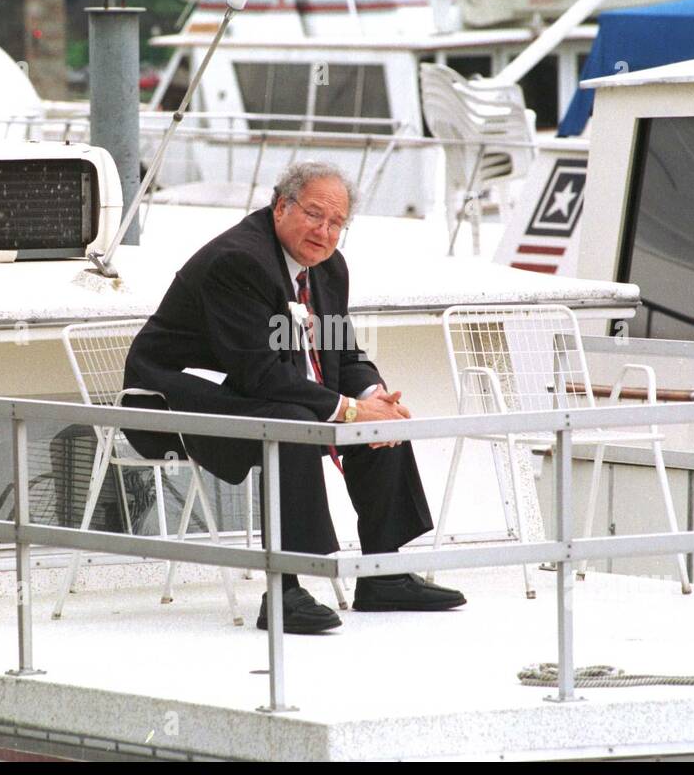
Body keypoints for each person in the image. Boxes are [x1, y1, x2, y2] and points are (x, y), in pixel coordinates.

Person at [122, 161, 466, 633]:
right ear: (281, 206)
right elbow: (260, 372)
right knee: (291, 422)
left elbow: (342, 353)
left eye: (336, 224)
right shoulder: (238, 262)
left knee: (378, 420)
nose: (324, 232)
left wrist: (372, 396)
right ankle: (285, 591)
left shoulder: (327, 268)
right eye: (314, 215)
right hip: (175, 400)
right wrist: (346, 409)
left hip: (255, 391)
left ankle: (382, 574)